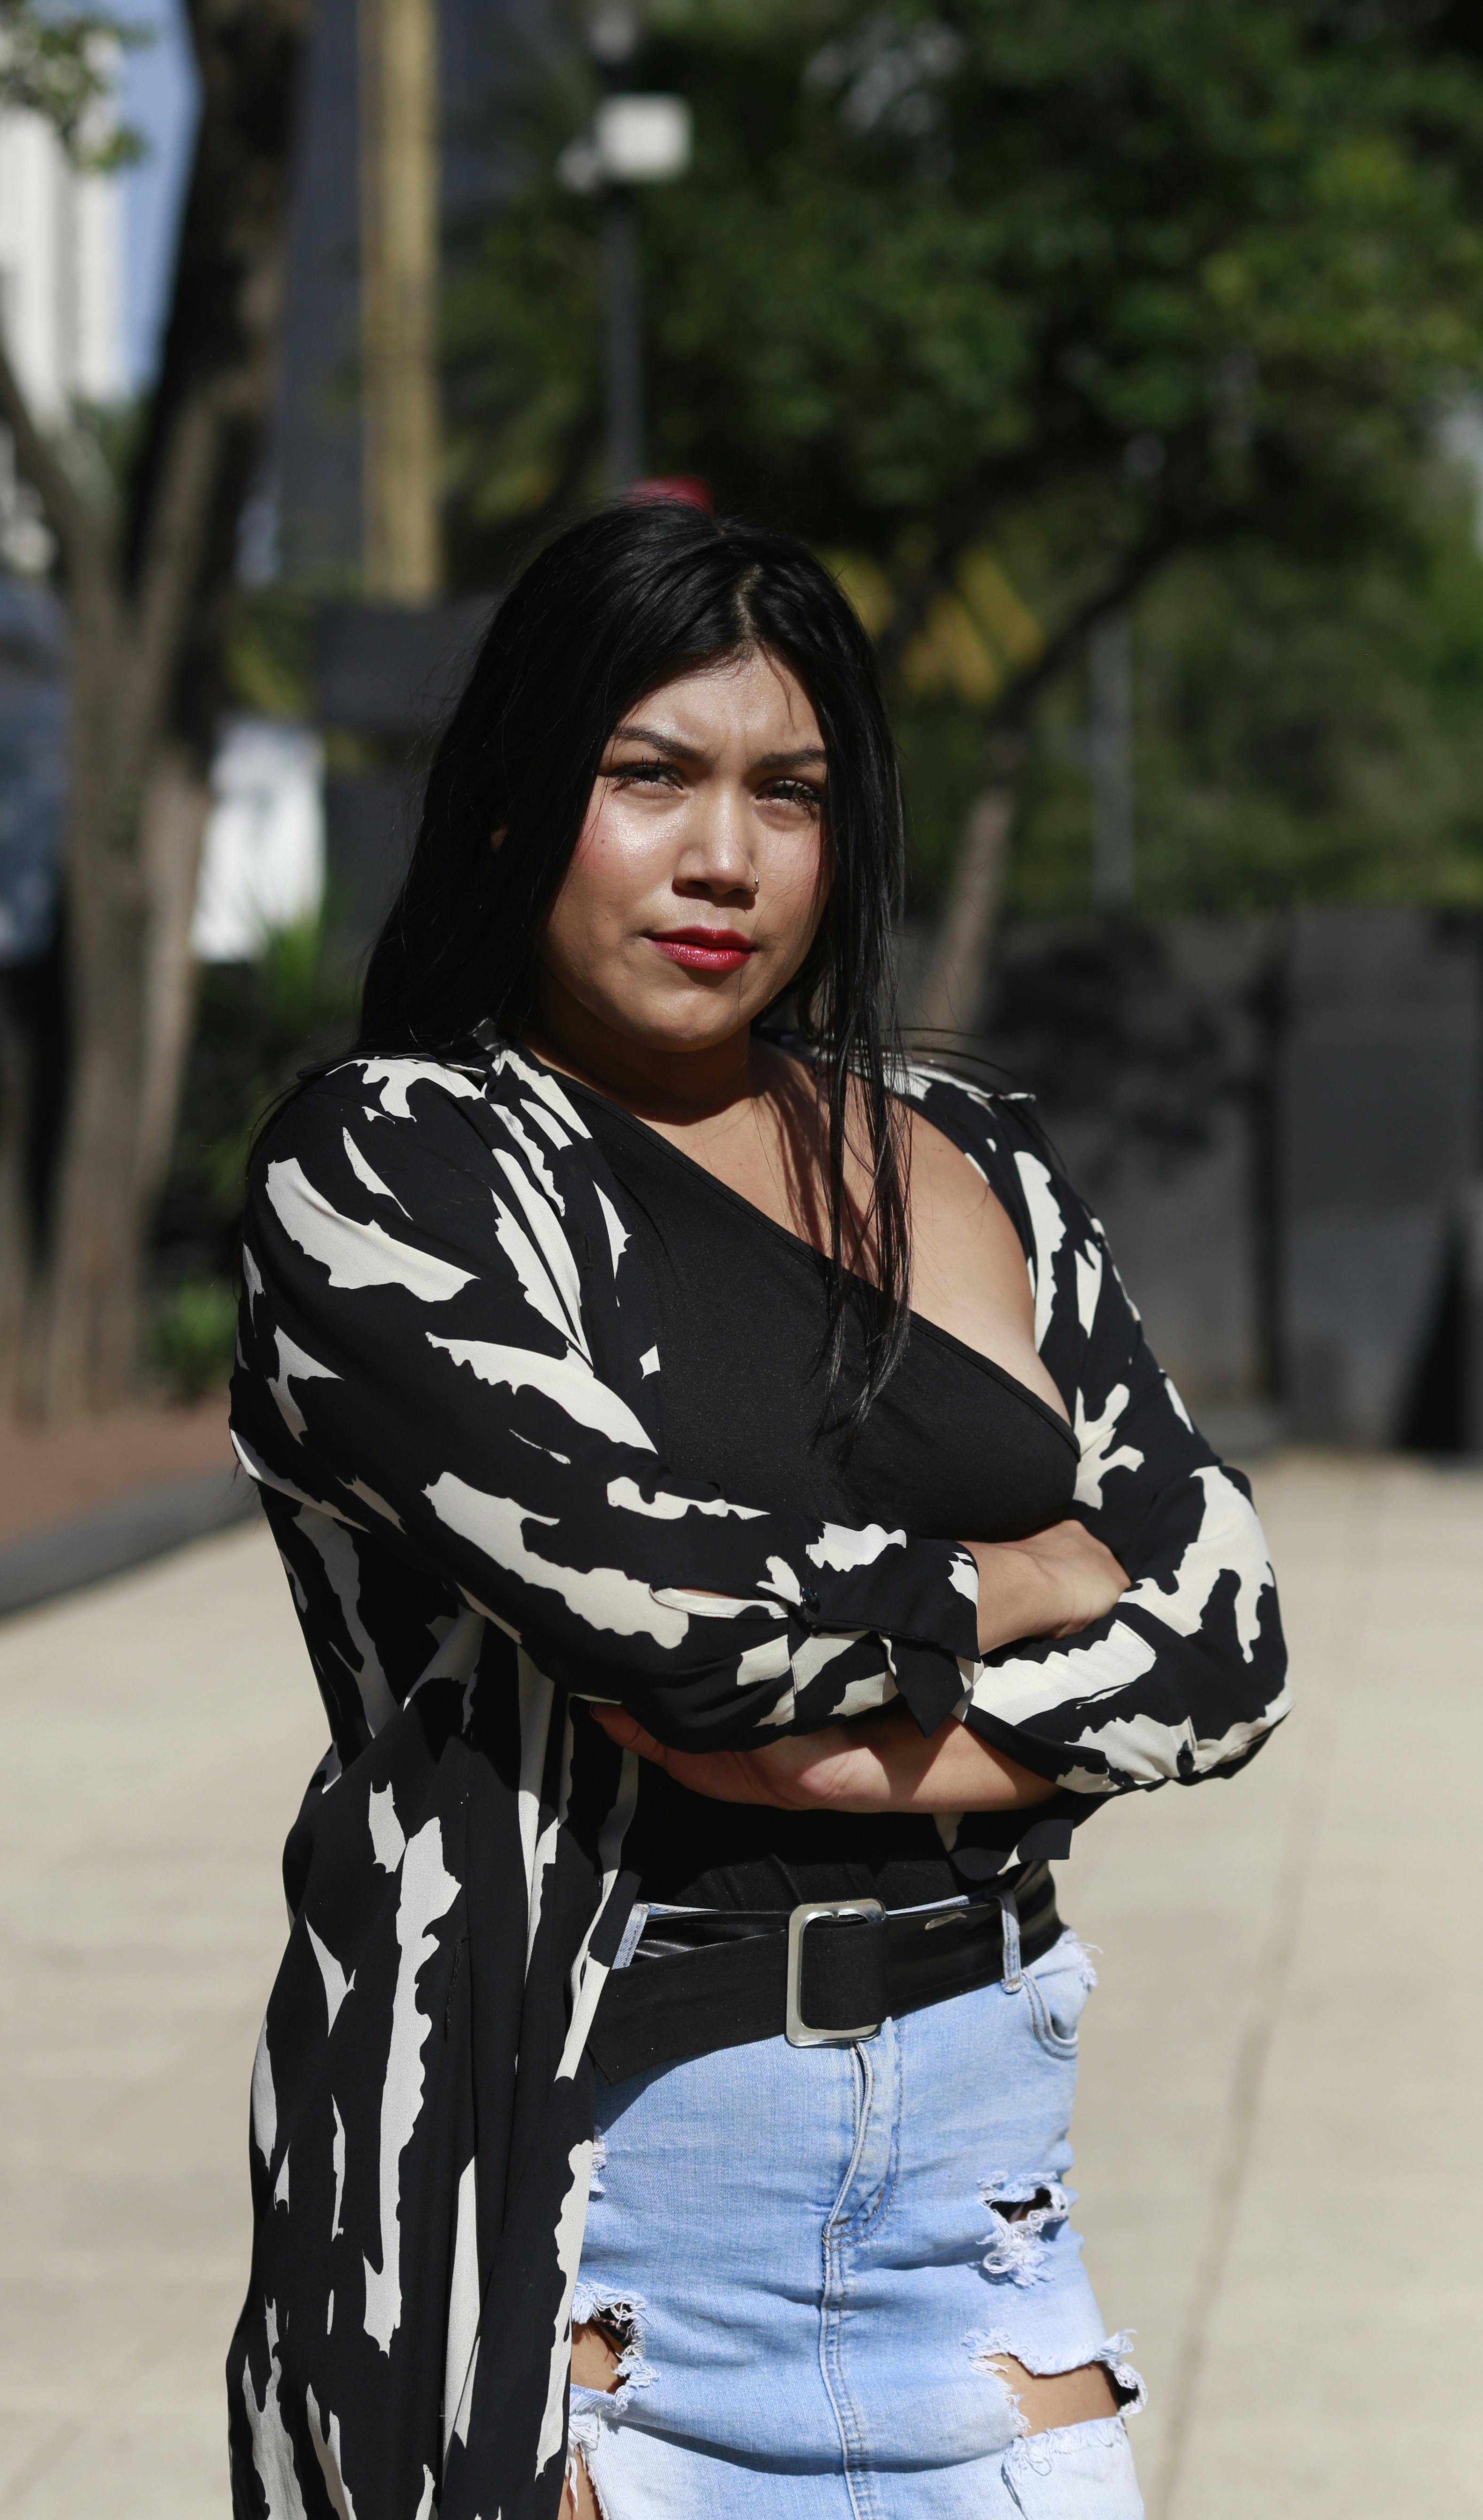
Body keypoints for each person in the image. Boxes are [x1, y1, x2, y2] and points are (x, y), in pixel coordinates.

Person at [225, 503, 1288, 2520]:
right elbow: (670, 1622)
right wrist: (1015, 1579)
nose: (724, 856)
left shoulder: (964, 1154)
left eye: (787, 793)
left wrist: (860, 1749)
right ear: (515, 797)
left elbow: (1227, 1641)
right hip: (583, 2237)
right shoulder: (394, 1168)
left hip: (980, 2215)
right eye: (650, 776)